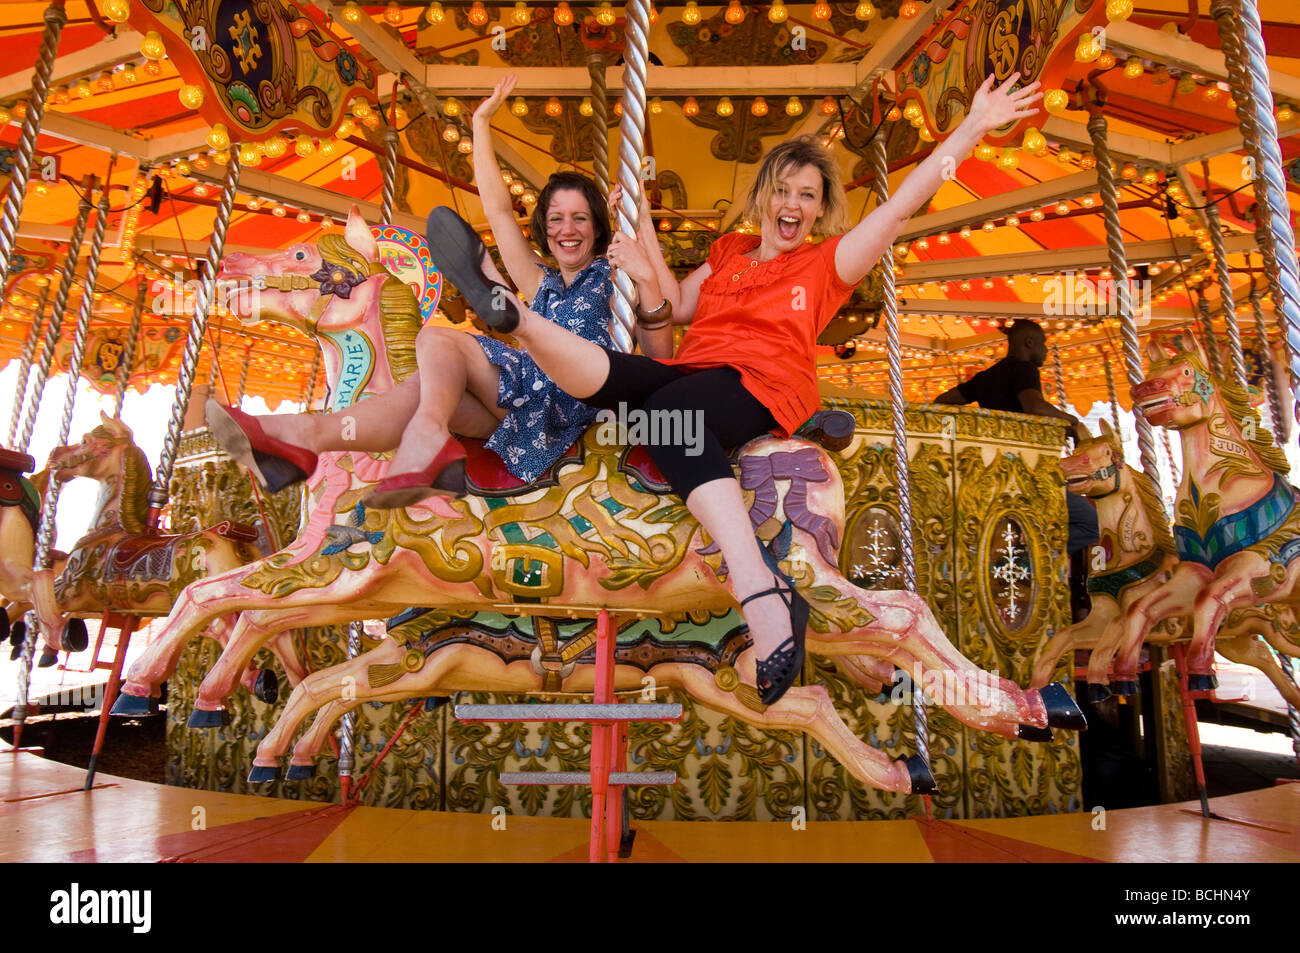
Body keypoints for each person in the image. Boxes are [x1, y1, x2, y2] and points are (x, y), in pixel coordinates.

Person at [420, 73, 1043, 711]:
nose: (793, 204)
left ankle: (757, 586)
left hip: (761, 387)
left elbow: (901, 205)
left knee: (664, 411)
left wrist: (971, 127)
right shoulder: (730, 251)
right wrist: (641, 233)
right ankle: (518, 319)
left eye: (808, 194)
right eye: (783, 189)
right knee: (613, 379)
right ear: (763, 196)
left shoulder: (828, 263)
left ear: (821, 207)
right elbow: (676, 304)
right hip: (695, 377)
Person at [208, 75, 665, 510]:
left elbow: (660, 355)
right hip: (521, 408)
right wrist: (480, 126)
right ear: (545, 229)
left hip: (577, 402)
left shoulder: (613, 276)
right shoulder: (541, 282)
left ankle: (423, 440)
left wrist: (641, 247)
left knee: (440, 339)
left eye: (581, 218)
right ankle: (306, 435)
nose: (567, 229)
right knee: (421, 387)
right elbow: (500, 212)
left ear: (599, 227)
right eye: (557, 218)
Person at [934, 318, 1099, 558]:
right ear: (1029, 342)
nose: (1044, 351)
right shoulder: (1024, 369)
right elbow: (1034, 405)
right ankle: (1027, 556)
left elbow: (942, 401)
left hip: (993, 468)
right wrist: (1072, 422)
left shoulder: (986, 377)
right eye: (1043, 344)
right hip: (1029, 469)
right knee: (1089, 523)